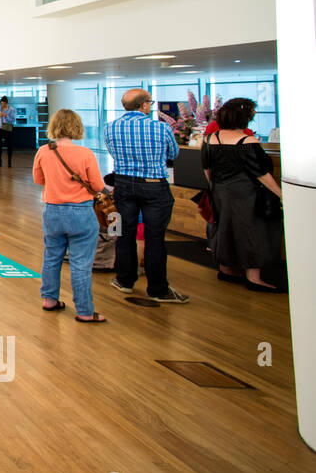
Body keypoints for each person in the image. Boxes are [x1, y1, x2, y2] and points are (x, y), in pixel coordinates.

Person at [104, 88, 187, 302]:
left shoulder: (110, 127)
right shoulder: (160, 127)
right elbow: (173, 154)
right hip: (154, 186)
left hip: (122, 184)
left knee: (124, 234)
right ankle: (158, 289)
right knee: (154, 238)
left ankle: (124, 280)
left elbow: (112, 152)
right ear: (144, 105)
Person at [201, 98, 285, 292]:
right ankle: (254, 278)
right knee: (253, 231)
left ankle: (226, 269)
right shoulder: (247, 141)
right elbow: (261, 173)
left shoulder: (210, 138)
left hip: (220, 191)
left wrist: (215, 187)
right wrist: (280, 194)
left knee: (224, 229)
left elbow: (207, 168)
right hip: (245, 193)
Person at [33, 108, 106, 322]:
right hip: (81, 212)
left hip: (53, 211)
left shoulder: (44, 151)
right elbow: (98, 185)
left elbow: (38, 180)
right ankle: (84, 311)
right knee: (81, 263)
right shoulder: (85, 154)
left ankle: (49, 299)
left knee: (51, 257)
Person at [0, 96, 14, 167]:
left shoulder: (11, 109)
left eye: (3, 103)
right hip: (0, 128)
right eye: (1, 103)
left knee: (9, 144)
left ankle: (9, 160)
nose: (2, 105)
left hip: (7, 127)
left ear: (6, 103)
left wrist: (5, 115)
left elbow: (12, 120)